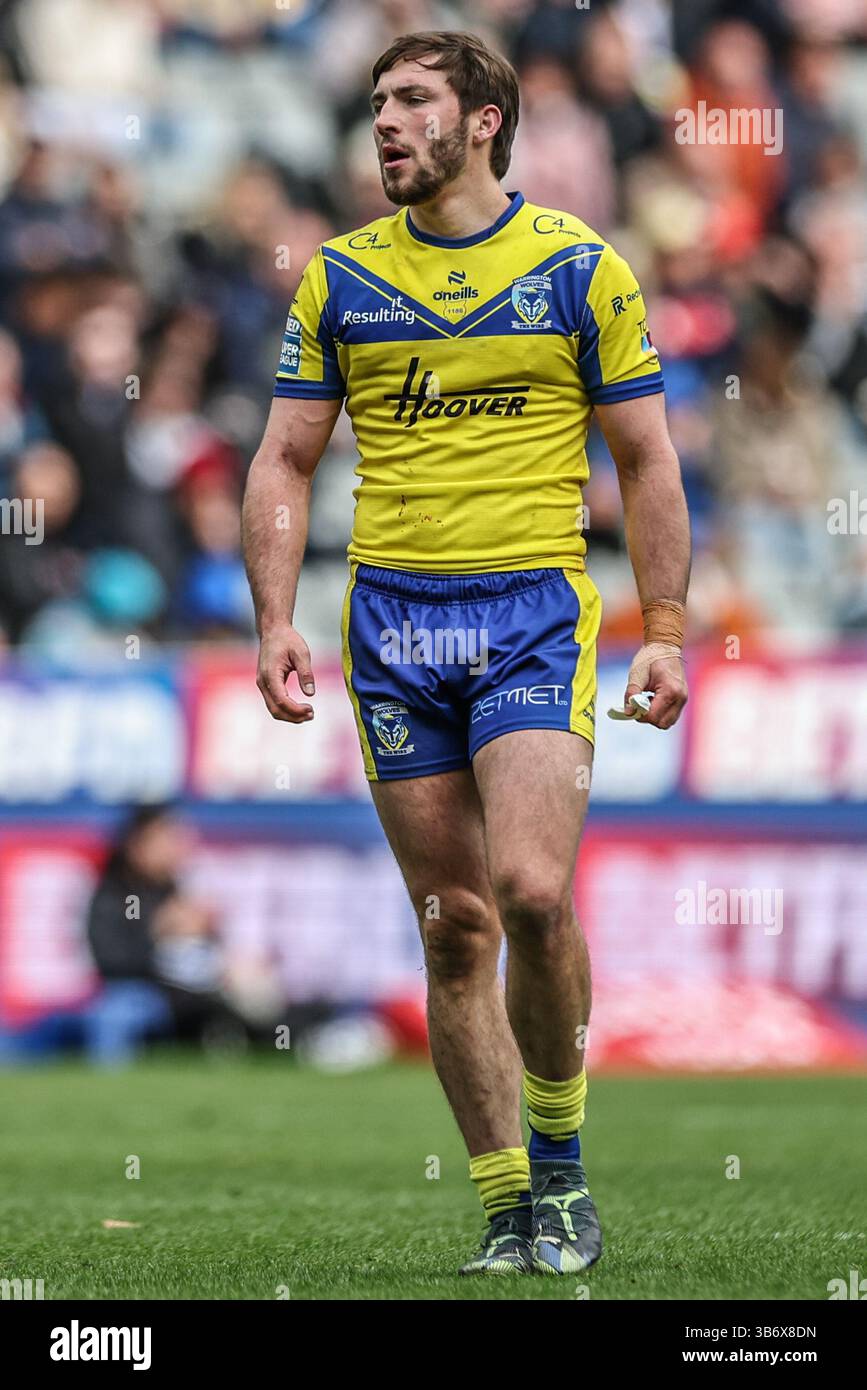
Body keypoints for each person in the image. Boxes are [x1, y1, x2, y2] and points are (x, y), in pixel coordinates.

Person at [242, 29, 690, 1276]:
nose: (382, 122)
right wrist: (276, 616)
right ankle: (507, 1208)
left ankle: (562, 1166)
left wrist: (663, 630)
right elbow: (284, 461)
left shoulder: (578, 268)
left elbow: (648, 459)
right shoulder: (337, 279)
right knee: (454, 926)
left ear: (483, 119)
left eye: (412, 102)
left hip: (533, 615)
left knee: (537, 893)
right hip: (392, 625)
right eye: (376, 102)